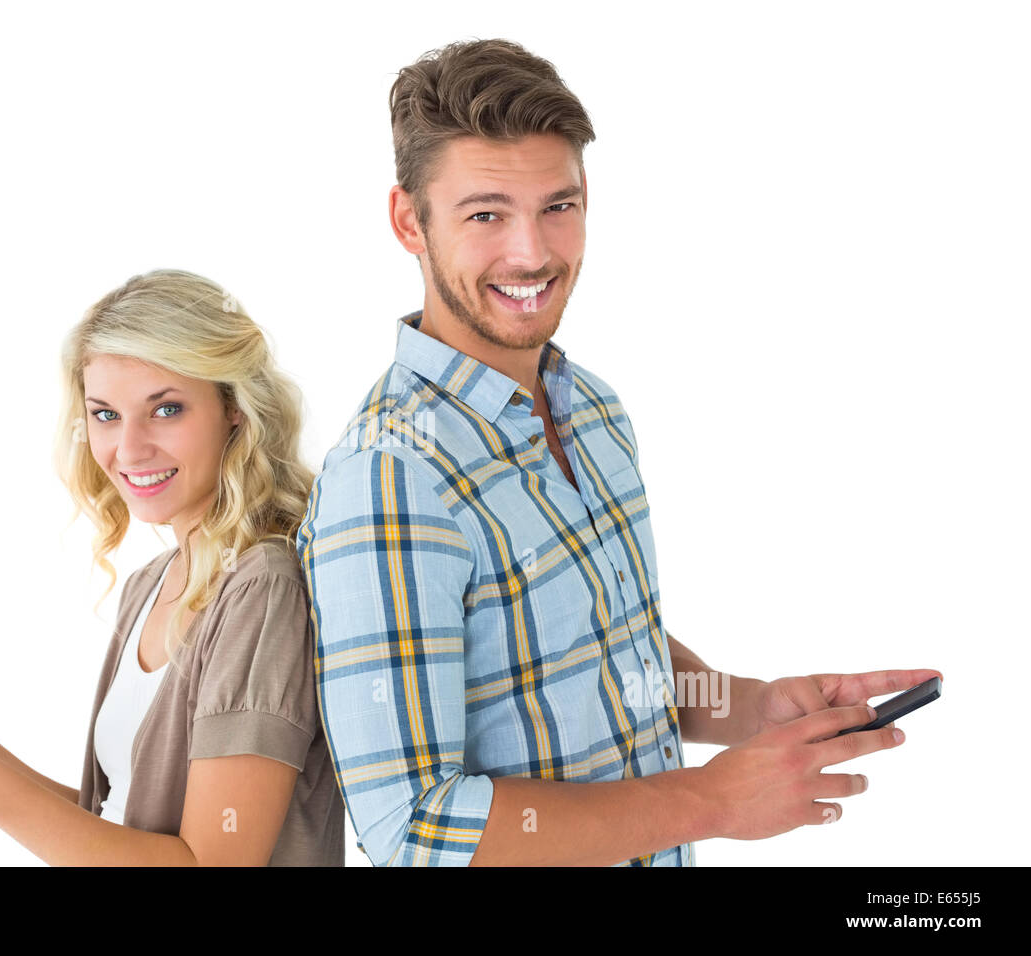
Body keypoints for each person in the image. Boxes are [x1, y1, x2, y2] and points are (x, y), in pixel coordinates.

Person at [296, 39, 941, 866]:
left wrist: (752, 709)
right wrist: (710, 801)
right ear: (407, 220)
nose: (531, 253)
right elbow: (413, 826)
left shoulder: (593, 410)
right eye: (485, 214)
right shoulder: (388, 476)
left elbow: (610, 666)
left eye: (557, 206)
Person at [0, 269, 345, 866]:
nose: (128, 450)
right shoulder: (148, 585)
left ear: (234, 408)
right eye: (104, 415)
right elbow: (118, 821)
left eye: (167, 409)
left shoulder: (263, 587)